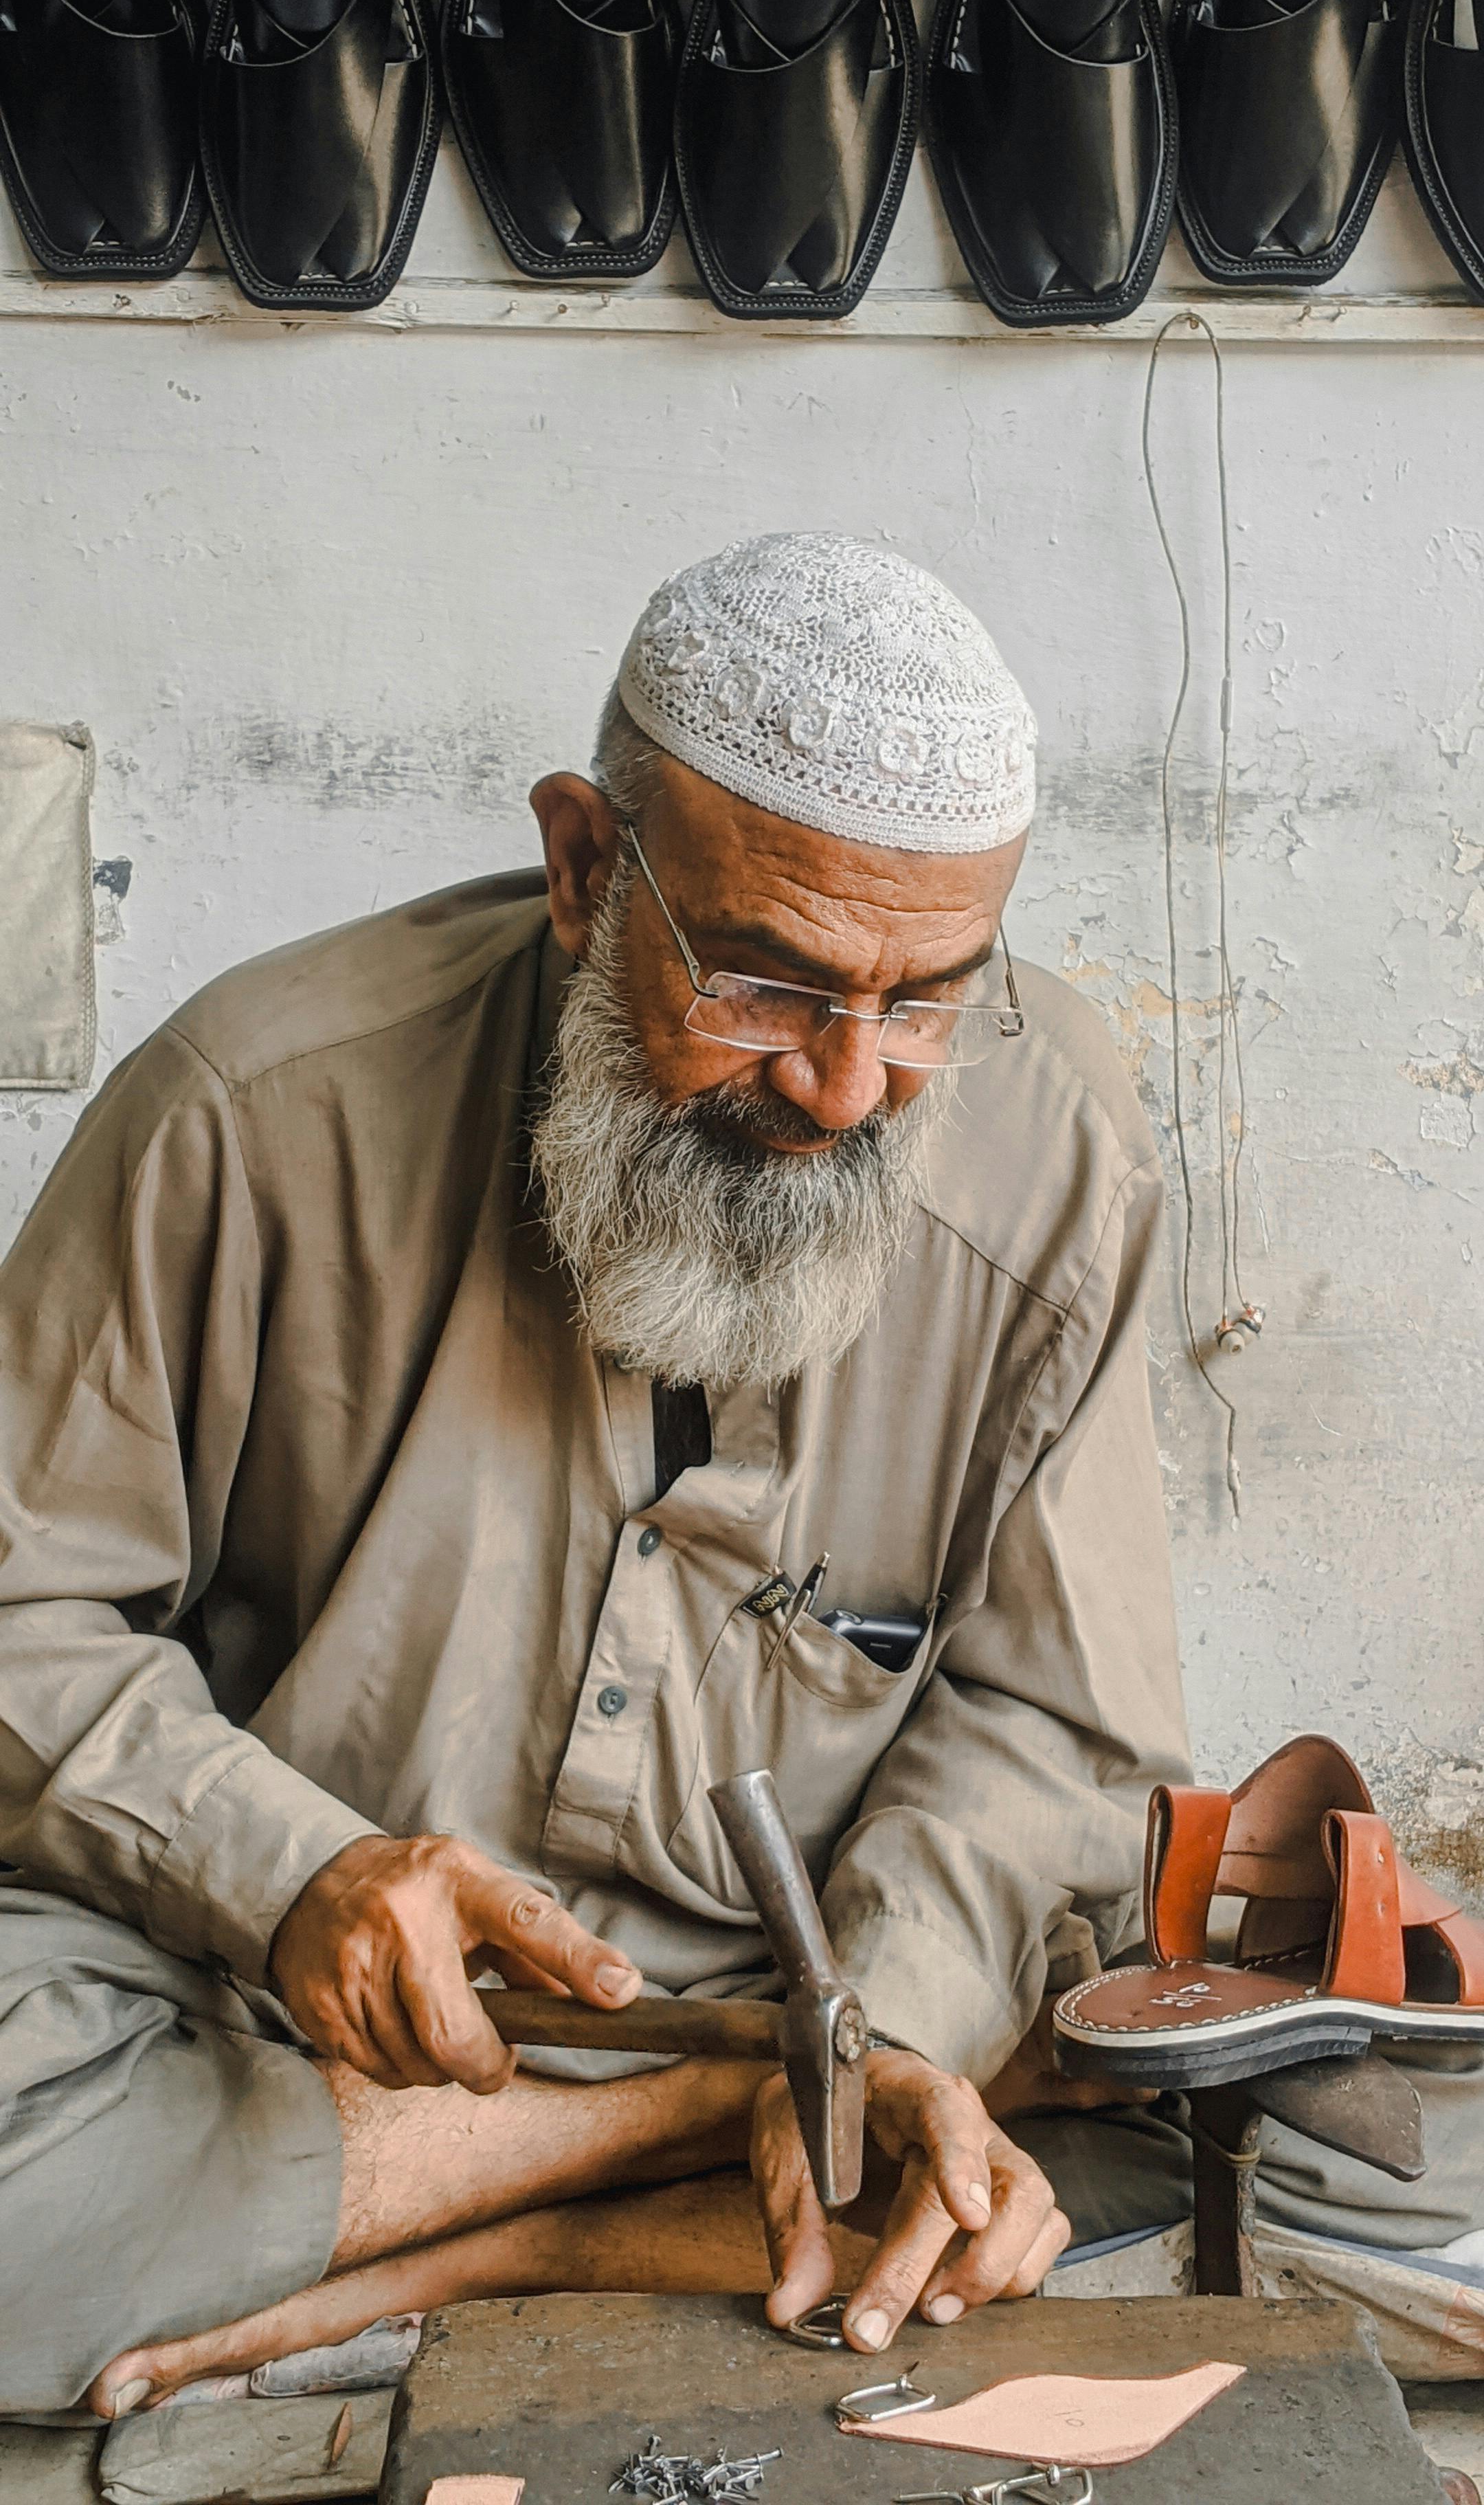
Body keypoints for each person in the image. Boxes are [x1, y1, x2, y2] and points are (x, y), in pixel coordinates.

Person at [1, 534, 1468, 2423]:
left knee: (1407, 2155)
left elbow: (1054, 1723)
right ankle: (675, 2159)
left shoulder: (1054, 1144)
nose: (848, 1087)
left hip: (838, 1985)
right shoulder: (252, 1107)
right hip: (301, 2021)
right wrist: (291, 1868)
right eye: (770, 985)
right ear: (584, 867)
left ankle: (499, 2240)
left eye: (926, 1000)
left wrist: (885, 2030)